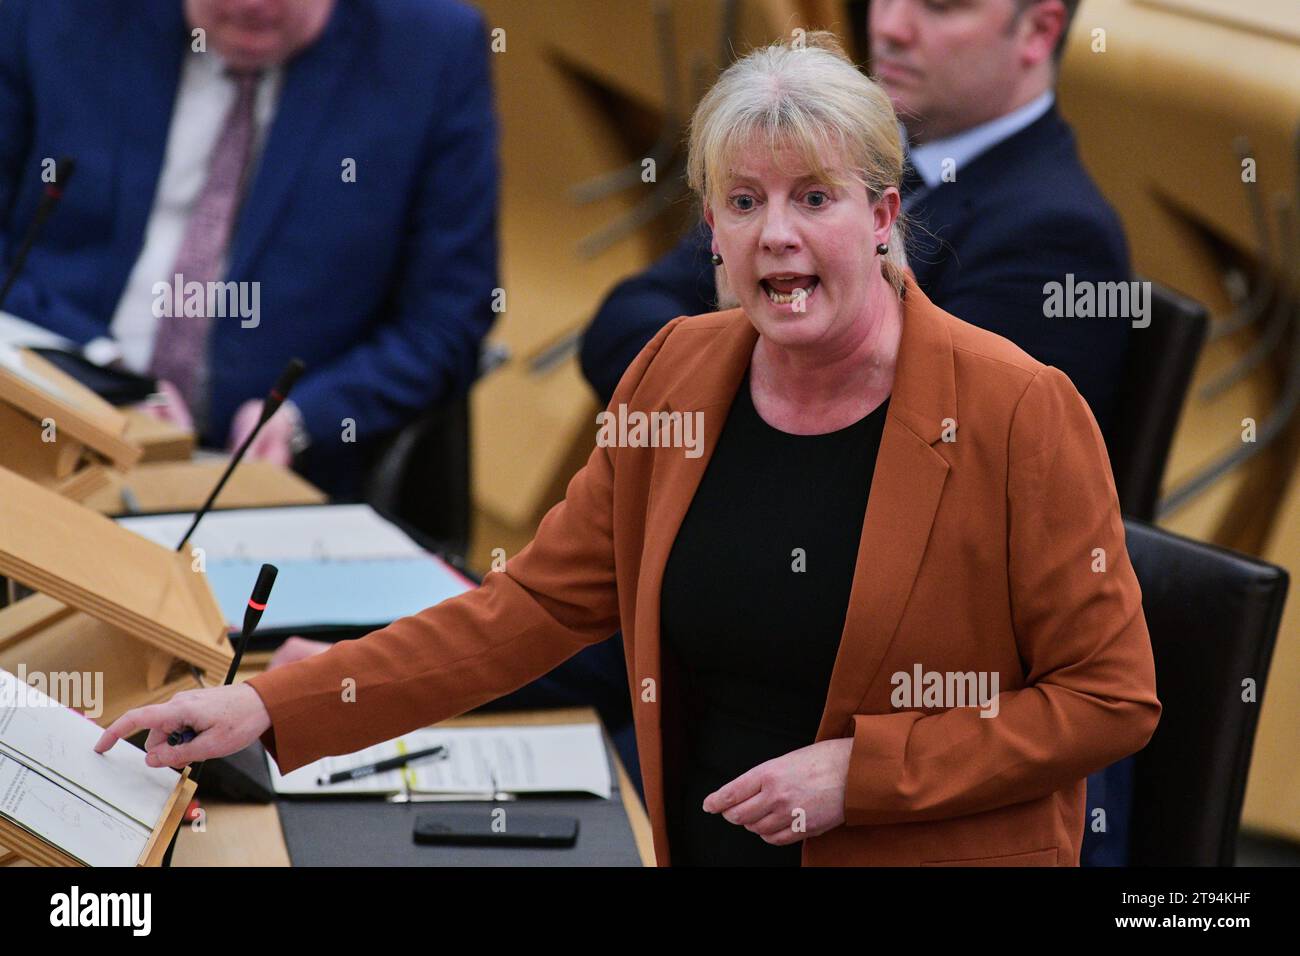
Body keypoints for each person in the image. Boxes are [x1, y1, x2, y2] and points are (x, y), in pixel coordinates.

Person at [97, 34, 1160, 867]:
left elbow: (1108, 699)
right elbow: (531, 607)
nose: (776, 235)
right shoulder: (678, 373)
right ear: (711, 229)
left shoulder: (1019, 411)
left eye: (814, 199)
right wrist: (265, 707)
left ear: (882, 215)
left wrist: (862, 773)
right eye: (743, 203)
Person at [0, 0, 498, 495]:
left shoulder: (432, 49)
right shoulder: (52, 15)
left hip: (259, 484)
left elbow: (447, 318)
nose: (254, 4)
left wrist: (304, 418)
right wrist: (102, 370)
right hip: (36, 414)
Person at [580, 0, 1128, 434]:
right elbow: (617, 328)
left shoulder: (1058, 235)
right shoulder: (829, 154)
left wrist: (730, 365)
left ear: (1038, 30)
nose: (888, 26)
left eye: (938, 5)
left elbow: (946, 451)